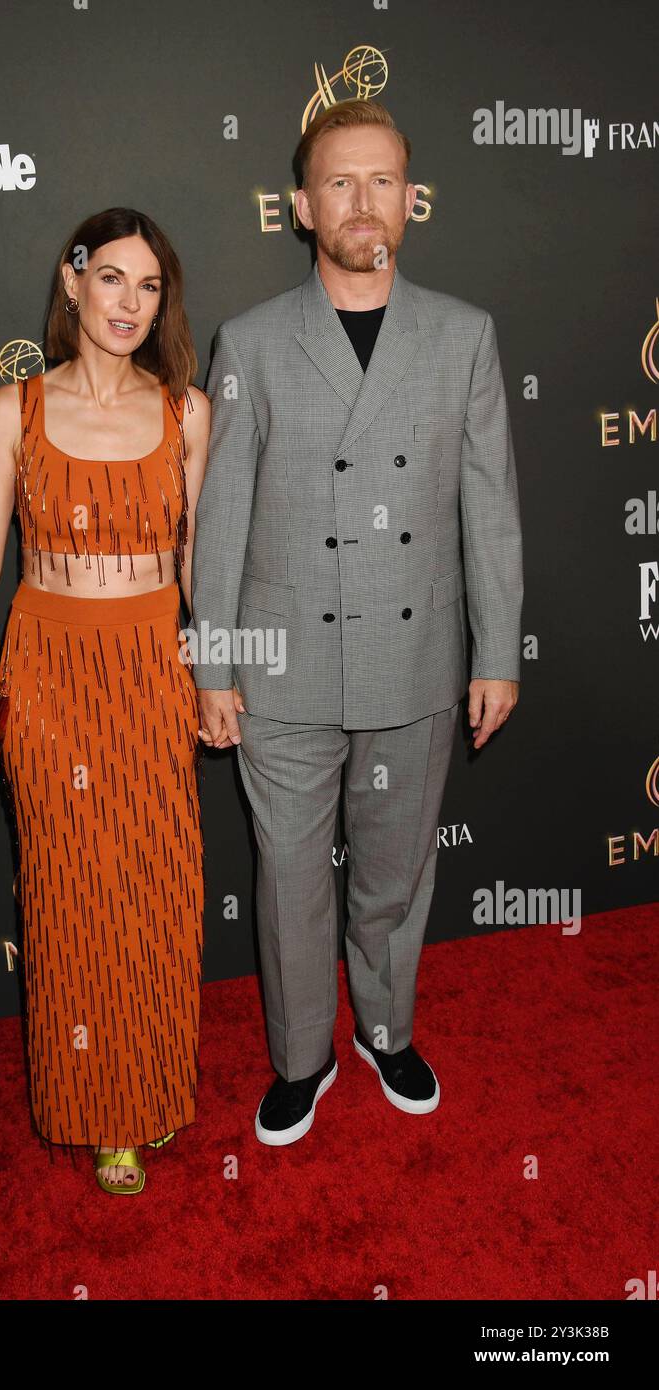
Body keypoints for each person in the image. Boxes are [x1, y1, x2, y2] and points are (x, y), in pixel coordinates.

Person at [189, 99, 523, 1145]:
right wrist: (213, 664)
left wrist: (497, 652)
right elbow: (221, 519)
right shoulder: (247, 340)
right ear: (299, 206)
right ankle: (302, 1056)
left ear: (409, 200)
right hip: (281, 667)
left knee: (391, 871)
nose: (361, 201)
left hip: (413, 654)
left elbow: (488, 502)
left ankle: (384, 1028)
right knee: (289, 883)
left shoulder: (462, 334)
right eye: (338, 181)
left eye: (381, 179)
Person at [0, 208, 210, 1193]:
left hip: (149, 667)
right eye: (111, 280)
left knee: (157, 887)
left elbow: (200, 568)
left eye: (149, 287)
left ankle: (147, 1085)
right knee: (70, 895)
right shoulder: (16, 410)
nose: (129, 302)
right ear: (71, 280)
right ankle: (100, 1112)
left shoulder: (187, 412)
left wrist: (215, 675)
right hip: (47, 669)